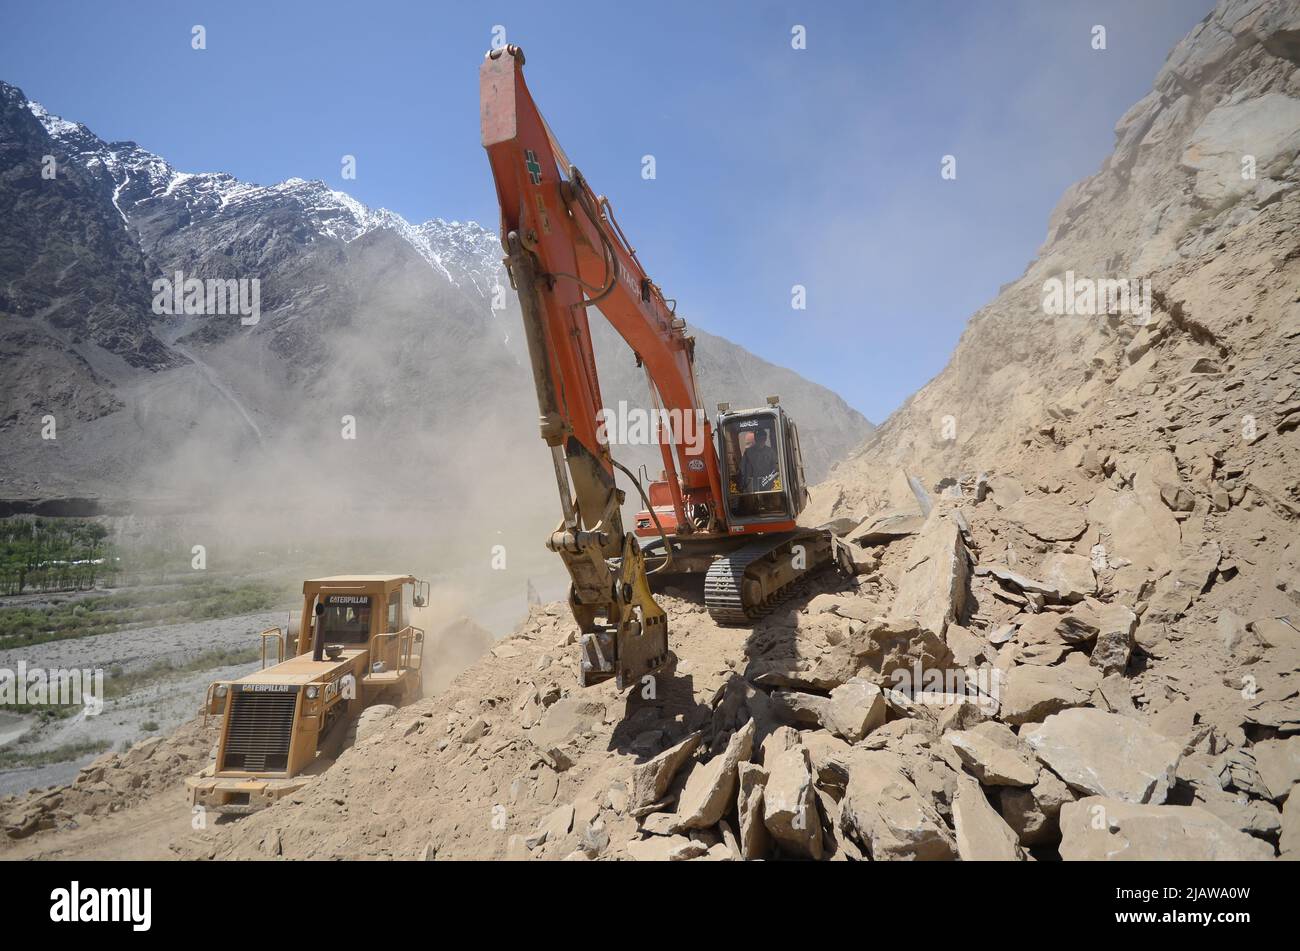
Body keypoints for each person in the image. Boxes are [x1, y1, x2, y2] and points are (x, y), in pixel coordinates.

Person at [740, 428, 779, 493]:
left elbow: (776, 469)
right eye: (759, 438)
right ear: (755, 439)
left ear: (765, 439)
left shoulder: (771, 452)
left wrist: (771, 479)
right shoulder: (748, 452)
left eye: (762, 438)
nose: (761, 440)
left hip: (769, 486)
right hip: (751, 488)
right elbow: (742, 469)